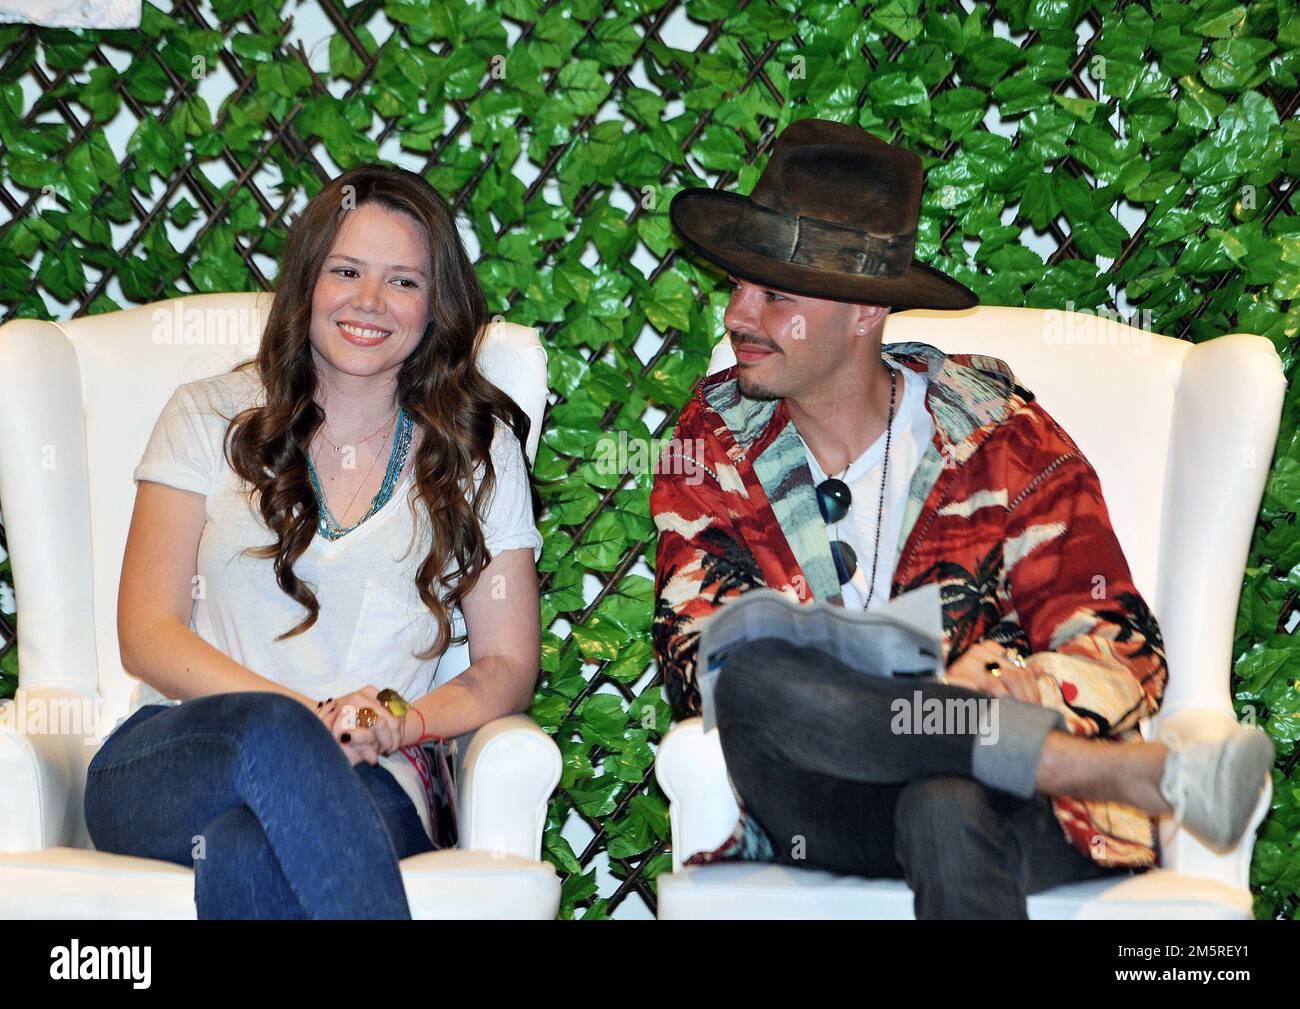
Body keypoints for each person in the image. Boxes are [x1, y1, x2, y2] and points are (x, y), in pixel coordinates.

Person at [650, 119, 1274, 919]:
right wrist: (926, 704)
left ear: (865, 308)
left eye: (774, 296)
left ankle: (1012, 756)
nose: (737, 315)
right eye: (738, 286)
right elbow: (696, 653)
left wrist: (996, 686)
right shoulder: (712, 441)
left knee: (943, 803)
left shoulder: (1000, 435)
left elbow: (1119, 643)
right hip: (825, 803)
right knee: (752, 675)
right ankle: (1109, 771)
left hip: (1008, 813)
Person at [85, 165, 543, 919]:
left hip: (375, 770)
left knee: (245, 850)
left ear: (435, 307)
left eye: (403, 281)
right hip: (179, 760)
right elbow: (146, 632)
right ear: (307, 282)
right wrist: (309, 715)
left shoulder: (475, 450)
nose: (370, 301)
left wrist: (397, 721)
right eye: (347, 271)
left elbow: (507, 663)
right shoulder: (206, 415)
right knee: (273, 735)